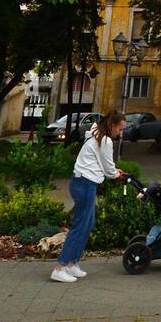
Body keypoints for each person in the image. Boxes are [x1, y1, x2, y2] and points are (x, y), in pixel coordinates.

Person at [51, 110, 127, 283]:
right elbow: (108, 170)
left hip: (81, 182)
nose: (120, 133)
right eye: (120, 129)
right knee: (80, 226)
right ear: (113, 125)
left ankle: (72, 263)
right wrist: (116, 174)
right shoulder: (105, 141)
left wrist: (114, 172)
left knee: (87, 223)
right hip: (86, 184)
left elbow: (102, 165)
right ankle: (60, 267)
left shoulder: (95, 133)